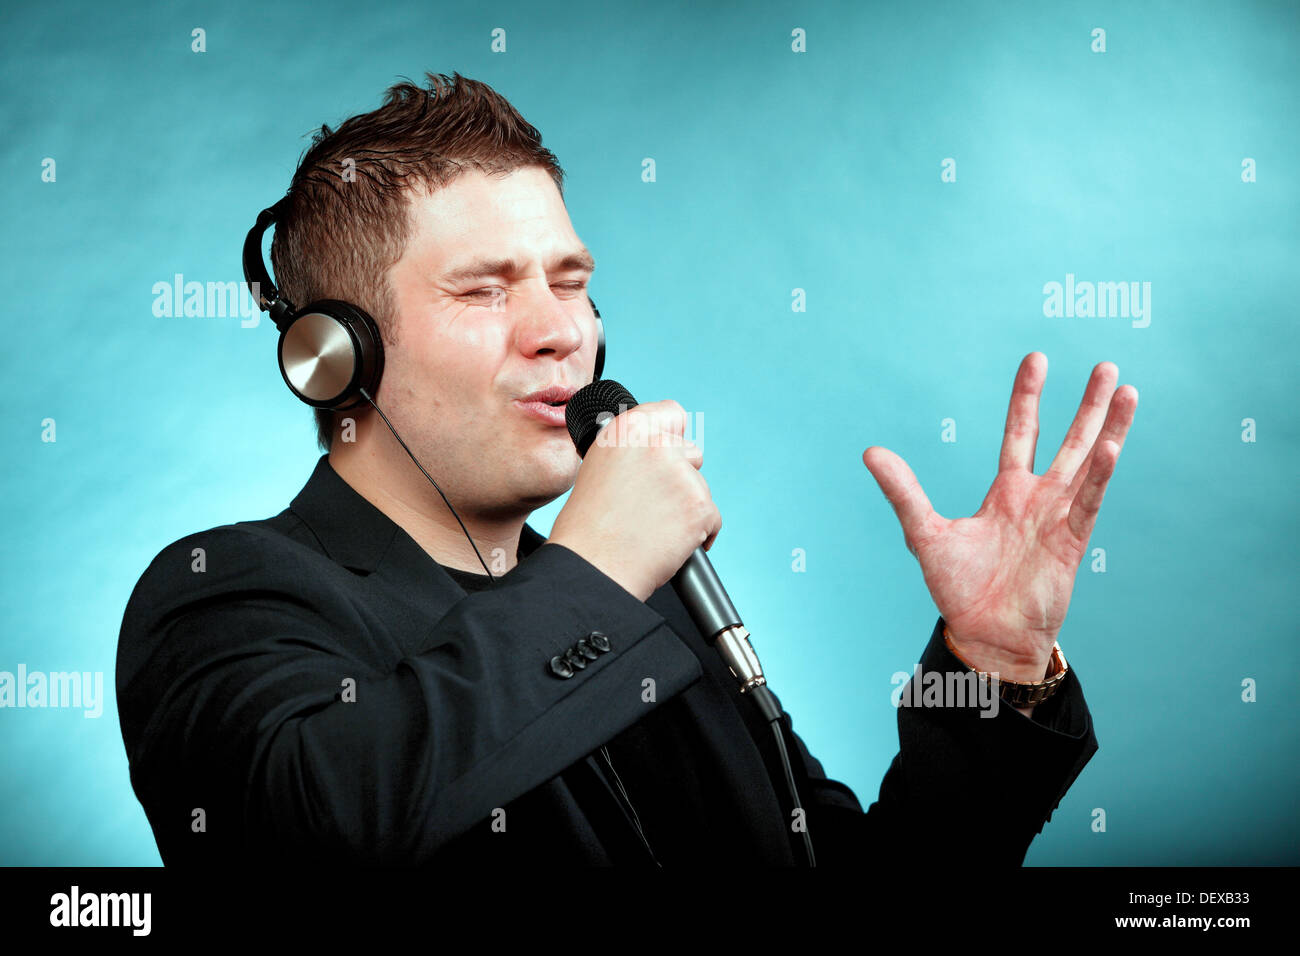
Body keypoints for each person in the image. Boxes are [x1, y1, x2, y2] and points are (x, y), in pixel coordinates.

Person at [116, 72, 1137, 867]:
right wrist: (597, 571)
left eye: (572, 282)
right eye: (483, 290)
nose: (563, 332)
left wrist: (993, 663)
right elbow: (307, 834)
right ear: (333, 355)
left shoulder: (652, 605)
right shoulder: (224, 594)